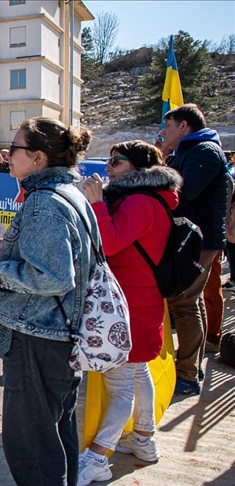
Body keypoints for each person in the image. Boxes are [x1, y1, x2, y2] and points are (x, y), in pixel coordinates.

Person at [0, 117, 96, 486]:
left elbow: (52, 276)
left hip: (38, 337)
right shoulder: (69, 194)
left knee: (31, 447)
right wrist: (11, 252)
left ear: (37, 158)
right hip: (55, 333)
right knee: (54, 436)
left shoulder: (43, 204)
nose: (7, 155)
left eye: (14, 148)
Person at [77, 141, 181, 485]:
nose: (108, 168)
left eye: (116, 162)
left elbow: (110, 242)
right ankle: (143, 440)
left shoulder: (139, 201)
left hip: (129, 303)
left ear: (137, 168)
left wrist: (95, 203)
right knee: (138, 372)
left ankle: (97, 457)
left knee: (120, 385)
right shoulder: (148, 198)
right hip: (139, 297)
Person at [160, 104, 229, 395]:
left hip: (198, 241)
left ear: (184, 126)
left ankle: (187, 375)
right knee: (191, 301)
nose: (164, 133)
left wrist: (160, 165)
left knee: (184, 303)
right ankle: (191, 366)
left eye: (169, 126)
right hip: (192, 239)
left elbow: (185, 191)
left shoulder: (205, 151)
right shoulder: (191, 151)